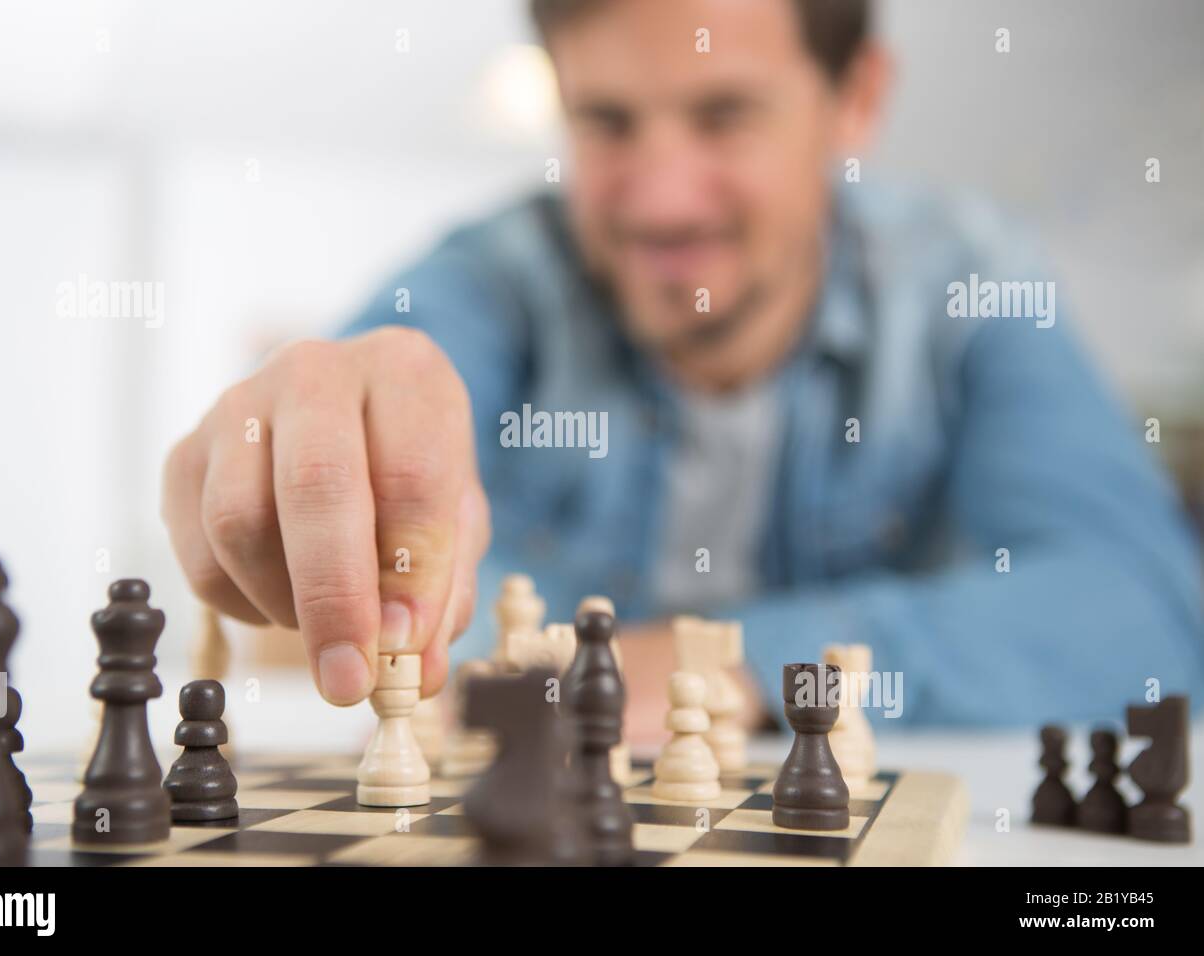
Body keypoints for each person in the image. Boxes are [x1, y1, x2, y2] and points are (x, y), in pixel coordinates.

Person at [160, 0, 1203, 738]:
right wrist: (315, 424)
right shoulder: (494, 278)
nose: (659, 200)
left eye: (723, 115)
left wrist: (744, 660)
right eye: (605, 121)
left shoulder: (973, 286)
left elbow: (1142, 618)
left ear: (854, 100)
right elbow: (381, 371)